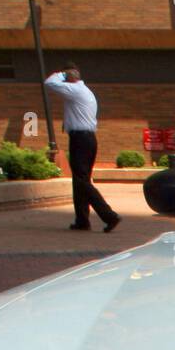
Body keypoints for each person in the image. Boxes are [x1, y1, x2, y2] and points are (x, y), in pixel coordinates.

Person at [44, 63, 121, 232]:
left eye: (65, 77)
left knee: (82, 180)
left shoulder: (76, 90)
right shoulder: (85, 91)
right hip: (87, 139)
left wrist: (61, 74)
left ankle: (109, 215)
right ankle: (82, 220)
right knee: (80, 180)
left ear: (69, 78)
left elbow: (49, 82)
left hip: (81, 139)